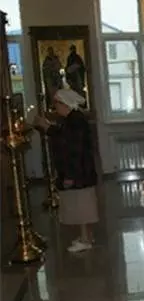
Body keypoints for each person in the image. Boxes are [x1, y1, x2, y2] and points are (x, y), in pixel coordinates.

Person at [34, 89, 99, 253]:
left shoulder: (75, 121)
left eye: (56, 104)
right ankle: (87, 236)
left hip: (78, 172)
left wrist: (70, 175)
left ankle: (85, 239)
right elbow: (62, 136)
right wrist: (48, 128)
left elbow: (71, 148)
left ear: (64, 104)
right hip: (81, 171)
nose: (55, 108)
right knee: (82, 205)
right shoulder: (73, 119)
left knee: (81, 207)